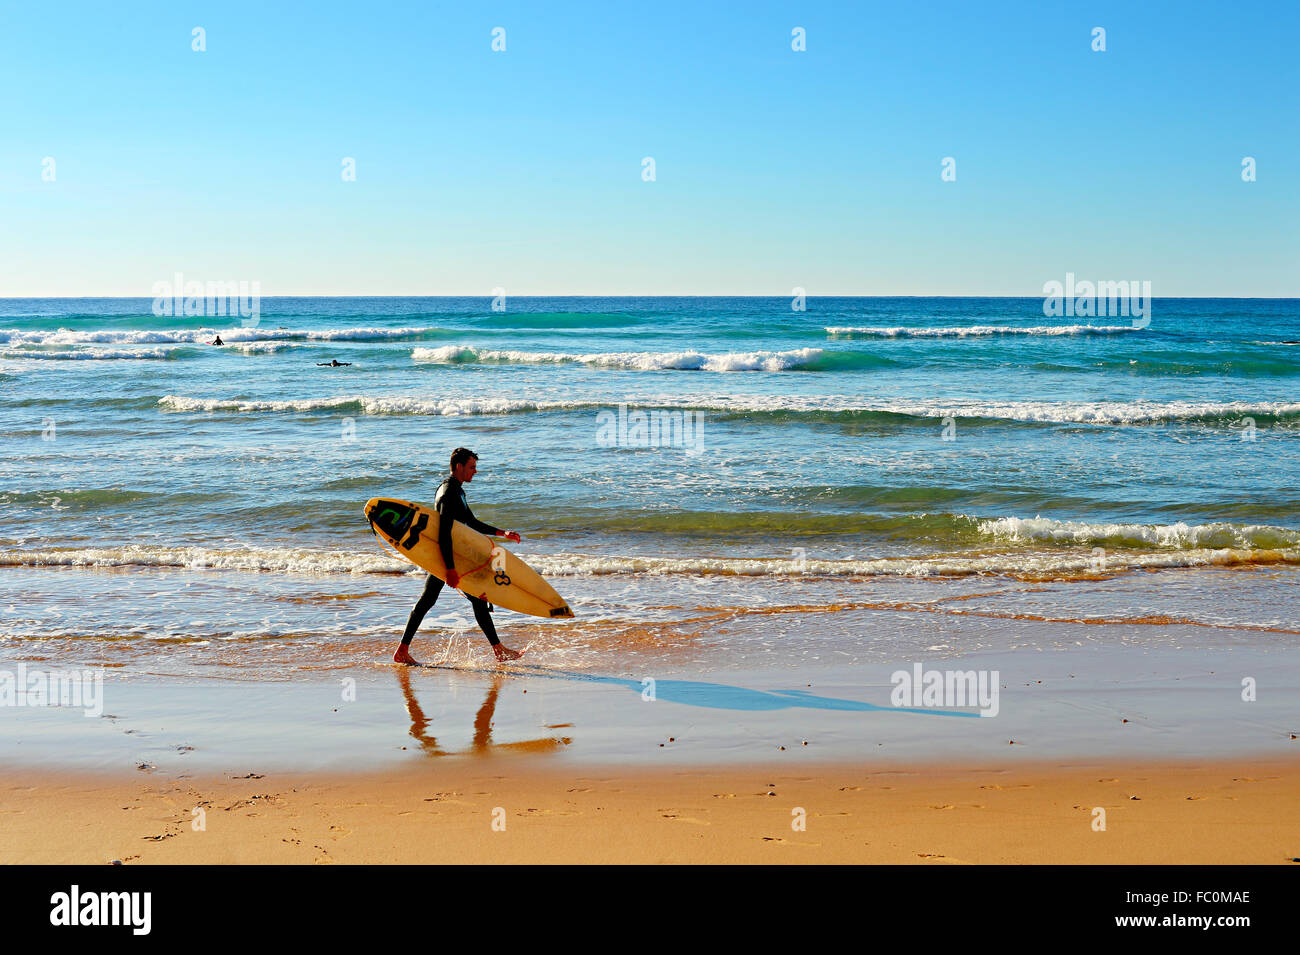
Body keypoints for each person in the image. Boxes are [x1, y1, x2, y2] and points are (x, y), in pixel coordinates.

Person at [394, 448, 523, 665]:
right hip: (445, 557)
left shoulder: (457, 490)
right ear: (459, 466)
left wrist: (502, 533)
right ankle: (498, 650)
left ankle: (402, 650)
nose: (475, 471)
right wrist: (450, 569)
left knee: (436, 600)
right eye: (472, 467)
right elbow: (443, 533)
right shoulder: (447, 493)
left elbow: (470, 522)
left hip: (450, 556)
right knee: (445, 600)